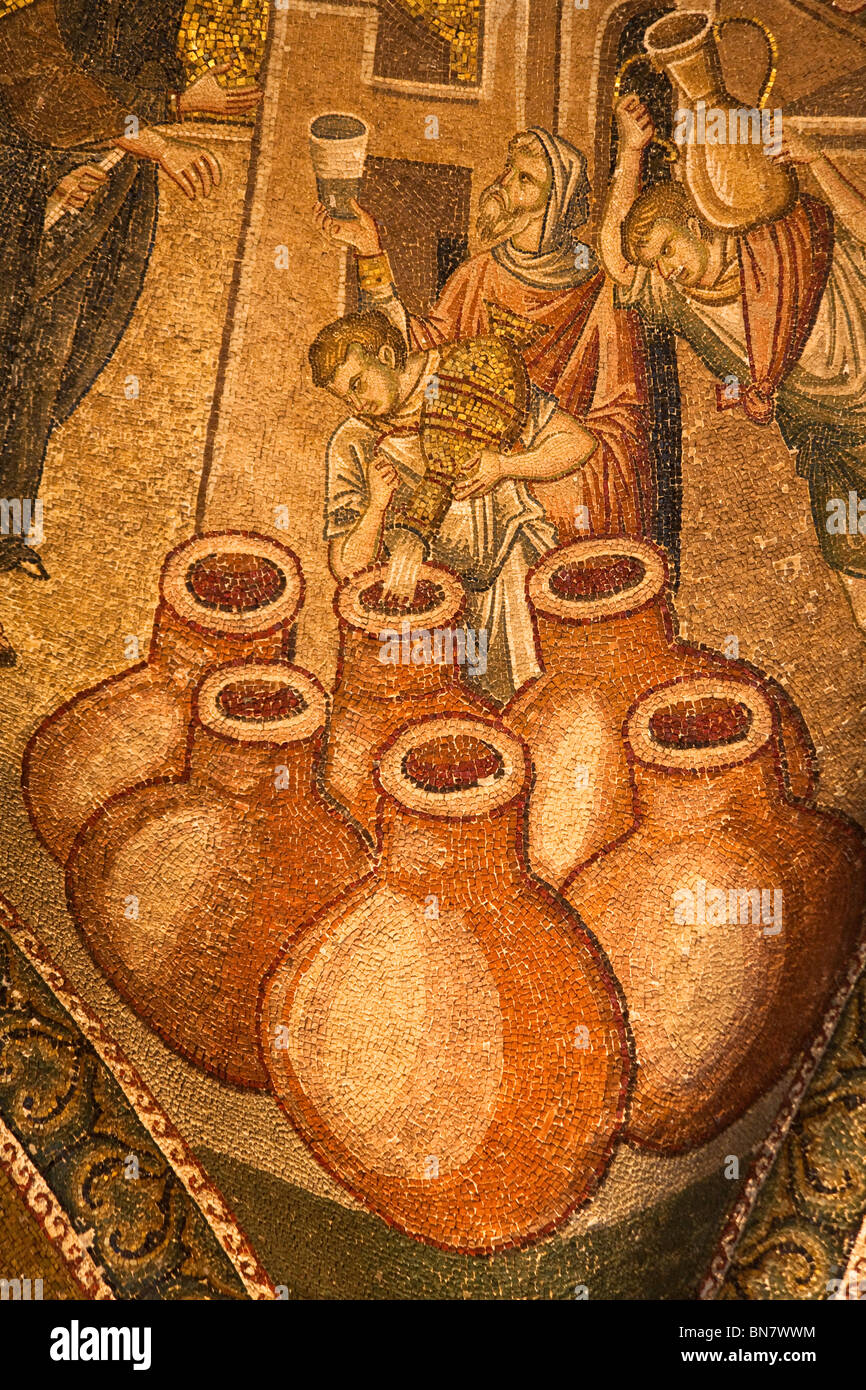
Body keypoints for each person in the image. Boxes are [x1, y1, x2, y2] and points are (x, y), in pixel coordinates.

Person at [0, 0, 261, 663]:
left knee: (41, 392)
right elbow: (36, 76)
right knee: (16, 385)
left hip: (90, 204)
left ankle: (6, 539)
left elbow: (119, 79)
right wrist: (165, 119)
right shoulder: (43, 19)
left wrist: (173, 100)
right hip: (28, 208)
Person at [599, 93, 866, 632]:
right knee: (855, 566)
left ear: (697, 227)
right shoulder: (684, 302)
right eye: (658, 263)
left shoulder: (782, 242)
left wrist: (818, 162)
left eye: (670, 250)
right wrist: (631, 154)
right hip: (830, 440)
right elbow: (614, 257)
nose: (667, 270)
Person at [314, 127, 654, 549]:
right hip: (462, 439)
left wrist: (519, 462)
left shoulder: (596, 289)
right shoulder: (477, 274)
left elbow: (621, 414)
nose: (505, 183)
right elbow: (419, 349)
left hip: (539, 449)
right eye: (510, 170)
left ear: (556, 201)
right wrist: (371, 253)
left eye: (525, 179)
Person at [309, 310, 599, 703]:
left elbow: (578, 443)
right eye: (346, 397)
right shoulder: (353, 441)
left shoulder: (471, 373)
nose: (357, 405)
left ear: (388, 357)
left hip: (507, 578)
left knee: (533, 704)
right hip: (424, 606)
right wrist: (376, 506)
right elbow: (347, 567)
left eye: (359, 384)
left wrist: (504, 465)